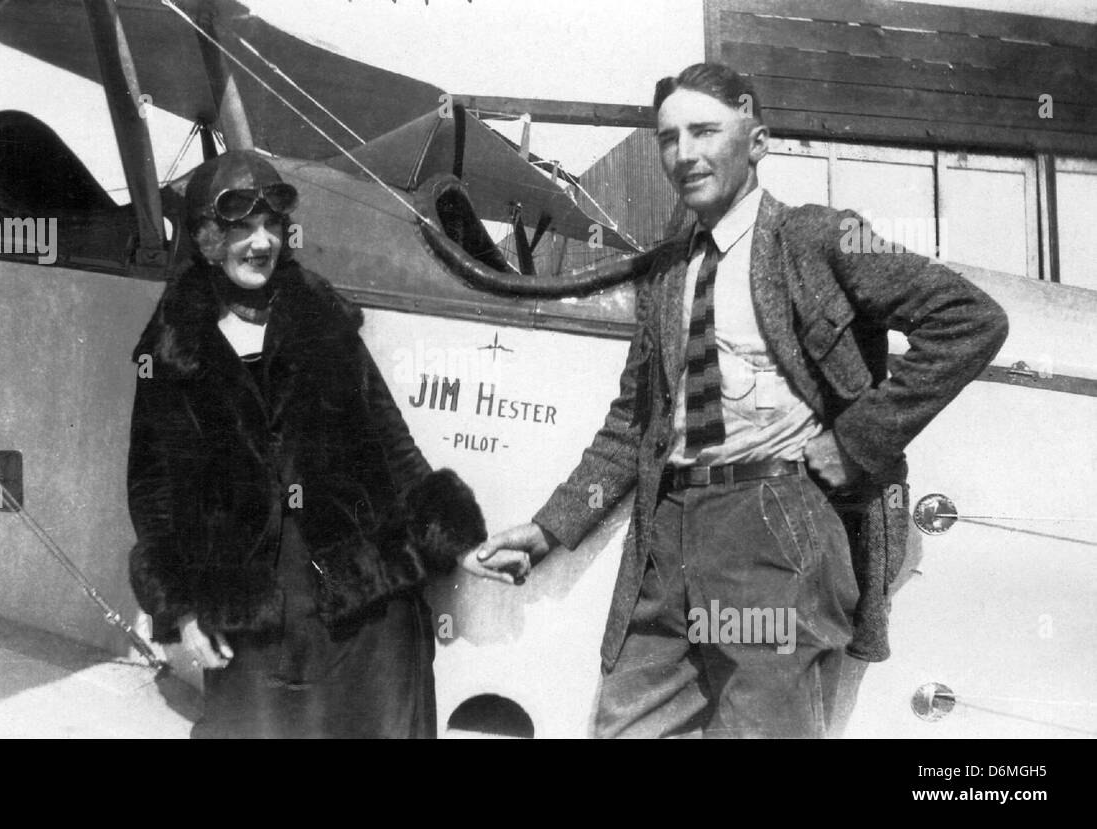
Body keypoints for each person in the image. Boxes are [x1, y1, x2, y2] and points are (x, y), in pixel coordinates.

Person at [463, 63, 1009, 738]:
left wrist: (857, 440)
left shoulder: (818, 238)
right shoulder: (668, 271)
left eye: (705, 131)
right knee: (624, 728)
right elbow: (633, 424)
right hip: (667, 540)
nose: (684, 153)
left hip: (774, 527)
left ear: (756, 140)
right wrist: (549, 527)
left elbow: (970, 319)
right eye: (669, 138)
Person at [126, 150, 486, 738]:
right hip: (253, 617)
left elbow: (392, 442)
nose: (261, 243)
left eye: (271, 226)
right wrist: (185, 612)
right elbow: (153, 493)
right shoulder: (169, 352)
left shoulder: (321, 317)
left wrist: (458, 540)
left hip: (366, 605)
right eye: (241, 227)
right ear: (208, 237)